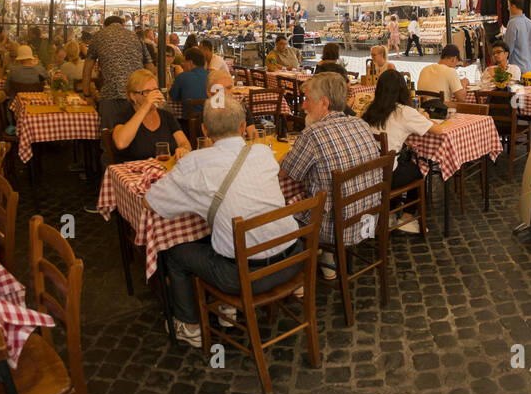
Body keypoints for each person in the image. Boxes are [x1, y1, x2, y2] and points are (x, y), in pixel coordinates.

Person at [148, 98, 301, 347]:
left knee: (174, 252)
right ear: (243, 127)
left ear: (204, 130)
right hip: (293, 260)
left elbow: (152, 202)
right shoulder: (264, 152)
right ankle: (226, 312)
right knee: (219, 234)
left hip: (242, 277)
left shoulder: (193, 163)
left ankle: (190, 326)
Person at [280, 72, 382, 279]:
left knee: (275, 213)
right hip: (369, 219)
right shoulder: (360, 124)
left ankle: (293, 275)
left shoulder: (312, 134)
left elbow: (287, 173)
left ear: (324, 103)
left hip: (336, 228)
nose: (303, 106)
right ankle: (326, 257)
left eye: (307, 99)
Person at [361, 70, 445, 234]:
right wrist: (425, 117)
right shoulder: (404, 111)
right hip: (387, 175)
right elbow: (438, 130)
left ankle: (391, 212)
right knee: (419, 169)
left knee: (403, 163)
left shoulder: (370, 109)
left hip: (367, 172)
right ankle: (407, 218)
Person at [84, 14, 151, 133]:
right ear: (123, 24)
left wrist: (87, 94)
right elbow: (150, 66)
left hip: (111, 95)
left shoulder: (98, 36)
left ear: (105, 26)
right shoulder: (136, 37)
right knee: (136, 134)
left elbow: (87, 67)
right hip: (135, 94)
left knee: (109, 137)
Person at [112, 69, 191, 162]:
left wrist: (183, 149)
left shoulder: (166, 116)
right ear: (133, 96)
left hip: (164, 171)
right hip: (134, 174)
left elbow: (185, 143)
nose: (153, 95)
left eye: (155, 90)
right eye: (147, 92)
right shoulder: (124, 116)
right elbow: (121, 143)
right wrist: (145, 107)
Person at [168, 47, 210, 114]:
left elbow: (172, 97)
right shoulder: (211, 76)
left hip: (188, 122)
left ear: (190, 63)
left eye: (184, 61)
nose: (182, 64)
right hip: (209, 120)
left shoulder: (182, 77)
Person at [503, 0, 531, 74]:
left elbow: (508, 47)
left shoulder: (512, 23)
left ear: (513, 6)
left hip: (516, 68)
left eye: (509, 6)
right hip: (529, 67)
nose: (508, 9)